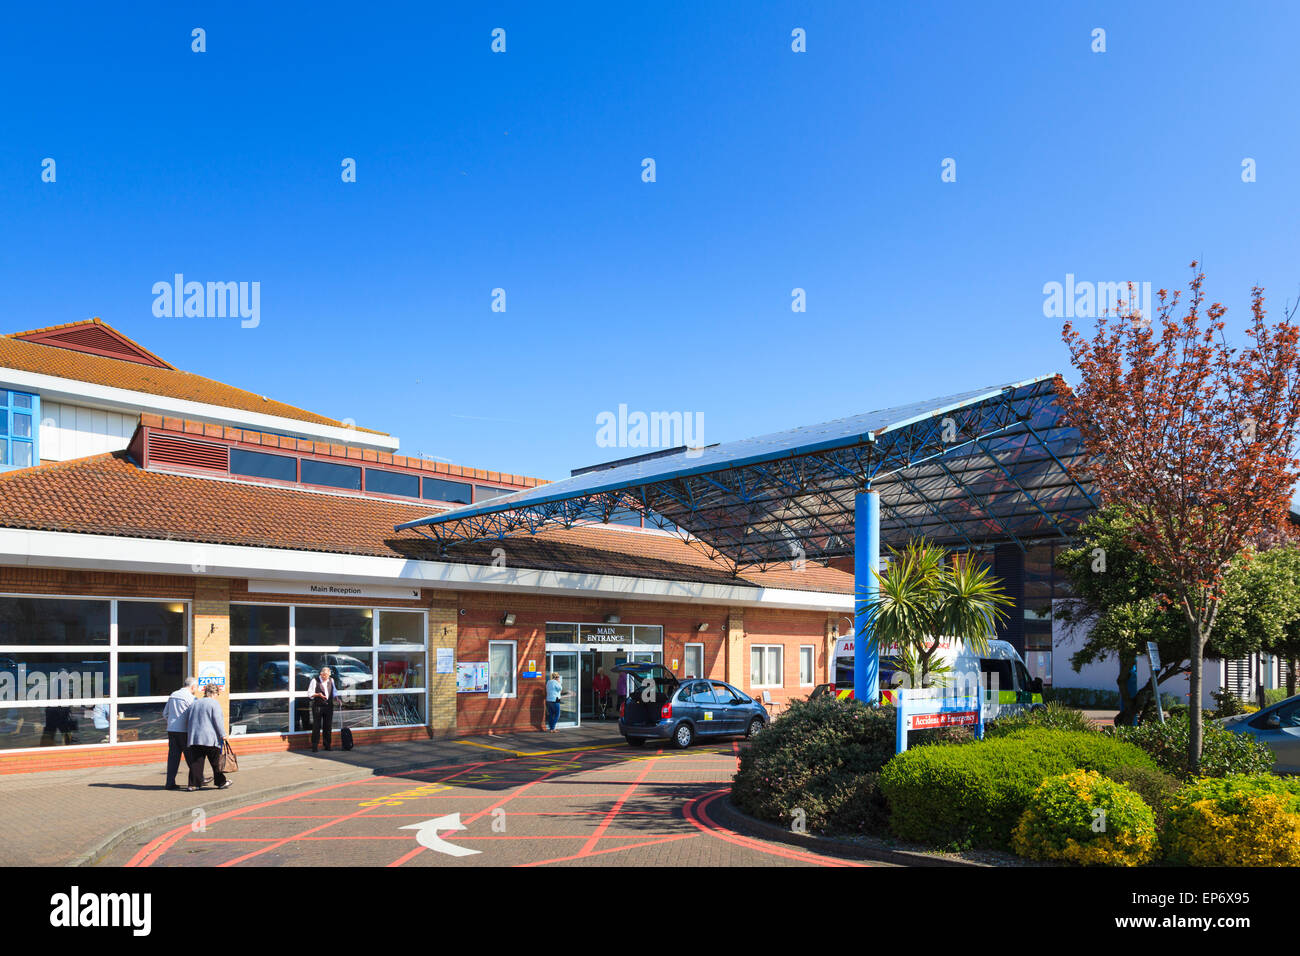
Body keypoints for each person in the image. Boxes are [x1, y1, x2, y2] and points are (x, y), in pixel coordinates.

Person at [184, 683, 231, 791]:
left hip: (195, 738)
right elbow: (218, 721)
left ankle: (193, 785)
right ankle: (221, 782)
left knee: (196, 763)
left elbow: (189, 719)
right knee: (216, 762)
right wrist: (223, 735)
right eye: (217, 694)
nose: (217, 696)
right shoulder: (214, 704)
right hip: (210, 738)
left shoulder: (194, 703)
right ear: (214, 693)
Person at [162, 677, 198, 790]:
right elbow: (195, 716)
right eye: (196, 687)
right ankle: (197, 780)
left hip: (172, 730)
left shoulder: (173, 695)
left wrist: (172, 722)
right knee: (192, 757)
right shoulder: (192, 698)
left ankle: (169, 783)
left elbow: (165, 713)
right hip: (185, 731)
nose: (196, 689)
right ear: (192, 687)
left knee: (173, 758)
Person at [307, 666, 339, 752]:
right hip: (318, 706)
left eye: (327, 676)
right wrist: (318, 695)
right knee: (316, 726)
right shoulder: (315, 680)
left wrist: (337, 698)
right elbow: (310, 693)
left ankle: (327, 745)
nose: (325, 677)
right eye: (324, 675)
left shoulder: (331, 680)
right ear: (321, 674)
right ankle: (315, 746)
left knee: (328, 726)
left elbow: (334, 691)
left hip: (329, 706)